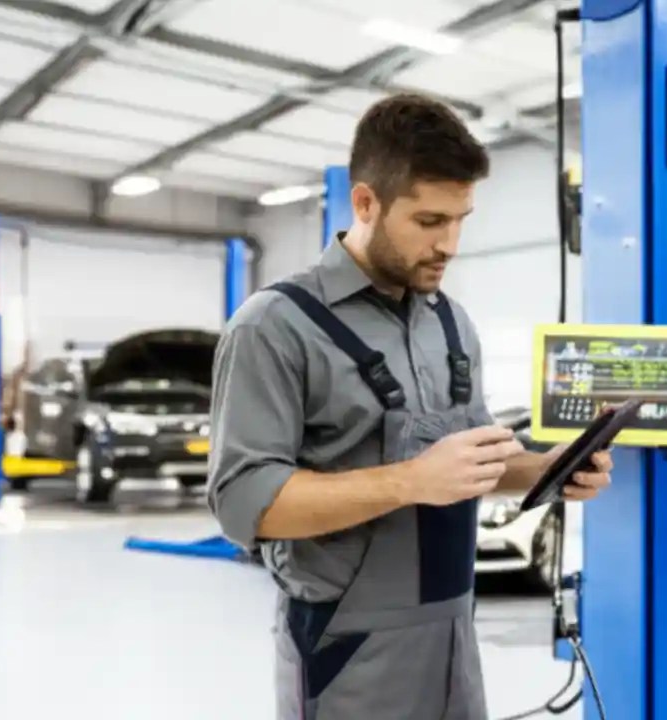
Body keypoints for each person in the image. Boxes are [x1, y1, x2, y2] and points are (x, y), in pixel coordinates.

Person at [206, 93, 613, 720]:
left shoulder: (450, 324)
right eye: (429, 222)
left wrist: (543, 470)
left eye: (460, 219)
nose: (449, 243)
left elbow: (470, 461)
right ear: (365, 202)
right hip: (345, 651)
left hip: (452, 631)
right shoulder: (274, 326)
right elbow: (241, 503)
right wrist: (409, 482)